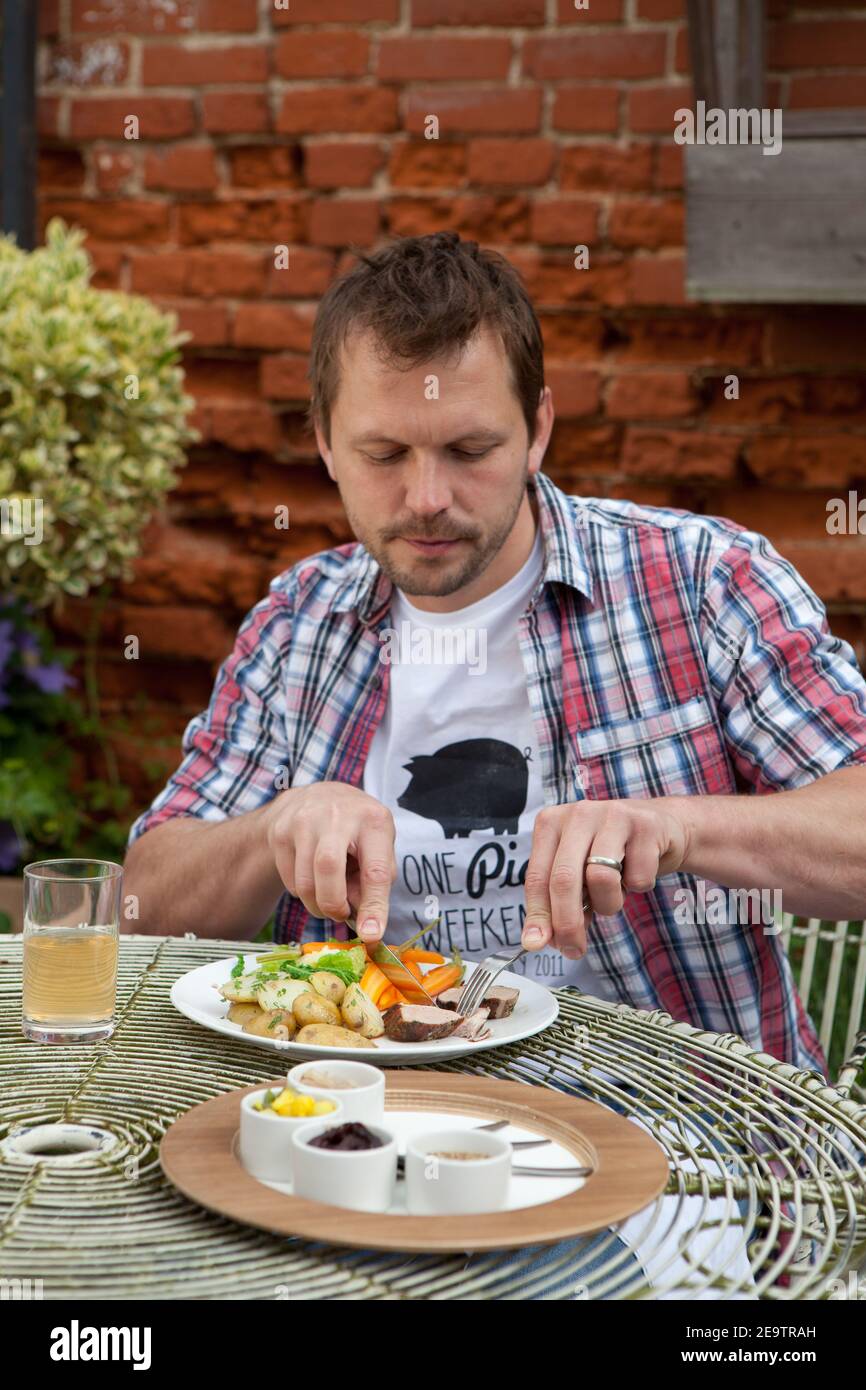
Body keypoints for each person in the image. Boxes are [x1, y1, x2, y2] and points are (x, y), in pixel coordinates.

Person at [124, 231, 866, 1077]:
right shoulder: (299, 624)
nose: (428, 498)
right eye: (383, 455)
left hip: (685, 1150)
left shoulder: (701, 581)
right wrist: (271, 832)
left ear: (538, 427)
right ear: (325, 442)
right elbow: (141, 911)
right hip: (366, 1131)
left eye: (470, 451)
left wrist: (675, 825)